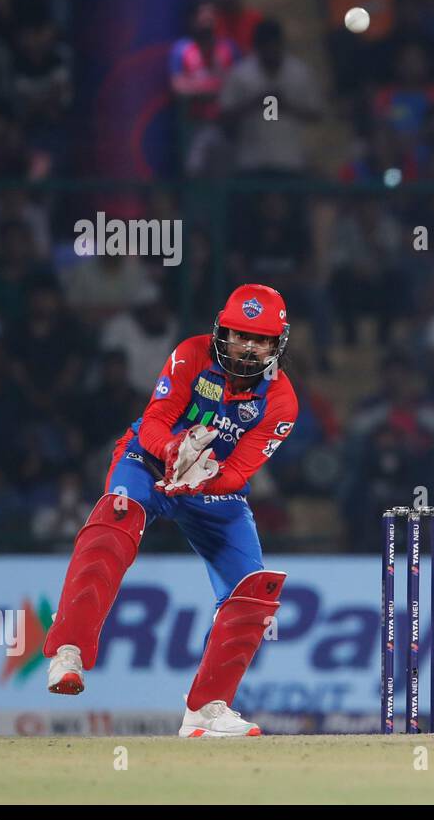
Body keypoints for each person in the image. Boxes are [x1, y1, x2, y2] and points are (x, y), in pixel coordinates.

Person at [42, 285, 299, 738]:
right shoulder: (191, 354)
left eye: (259, 339)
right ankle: (68, 652)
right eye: (239, 335)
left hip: (211, 484)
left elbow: (240, 471)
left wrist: (201, 476)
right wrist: (175, 450)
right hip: (149, 462)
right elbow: (156, 420)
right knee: (112, 525)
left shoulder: (281, 402)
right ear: (222, 330)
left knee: (252, 589)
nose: (247, 347)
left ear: (276, 344)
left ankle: (206, 710)